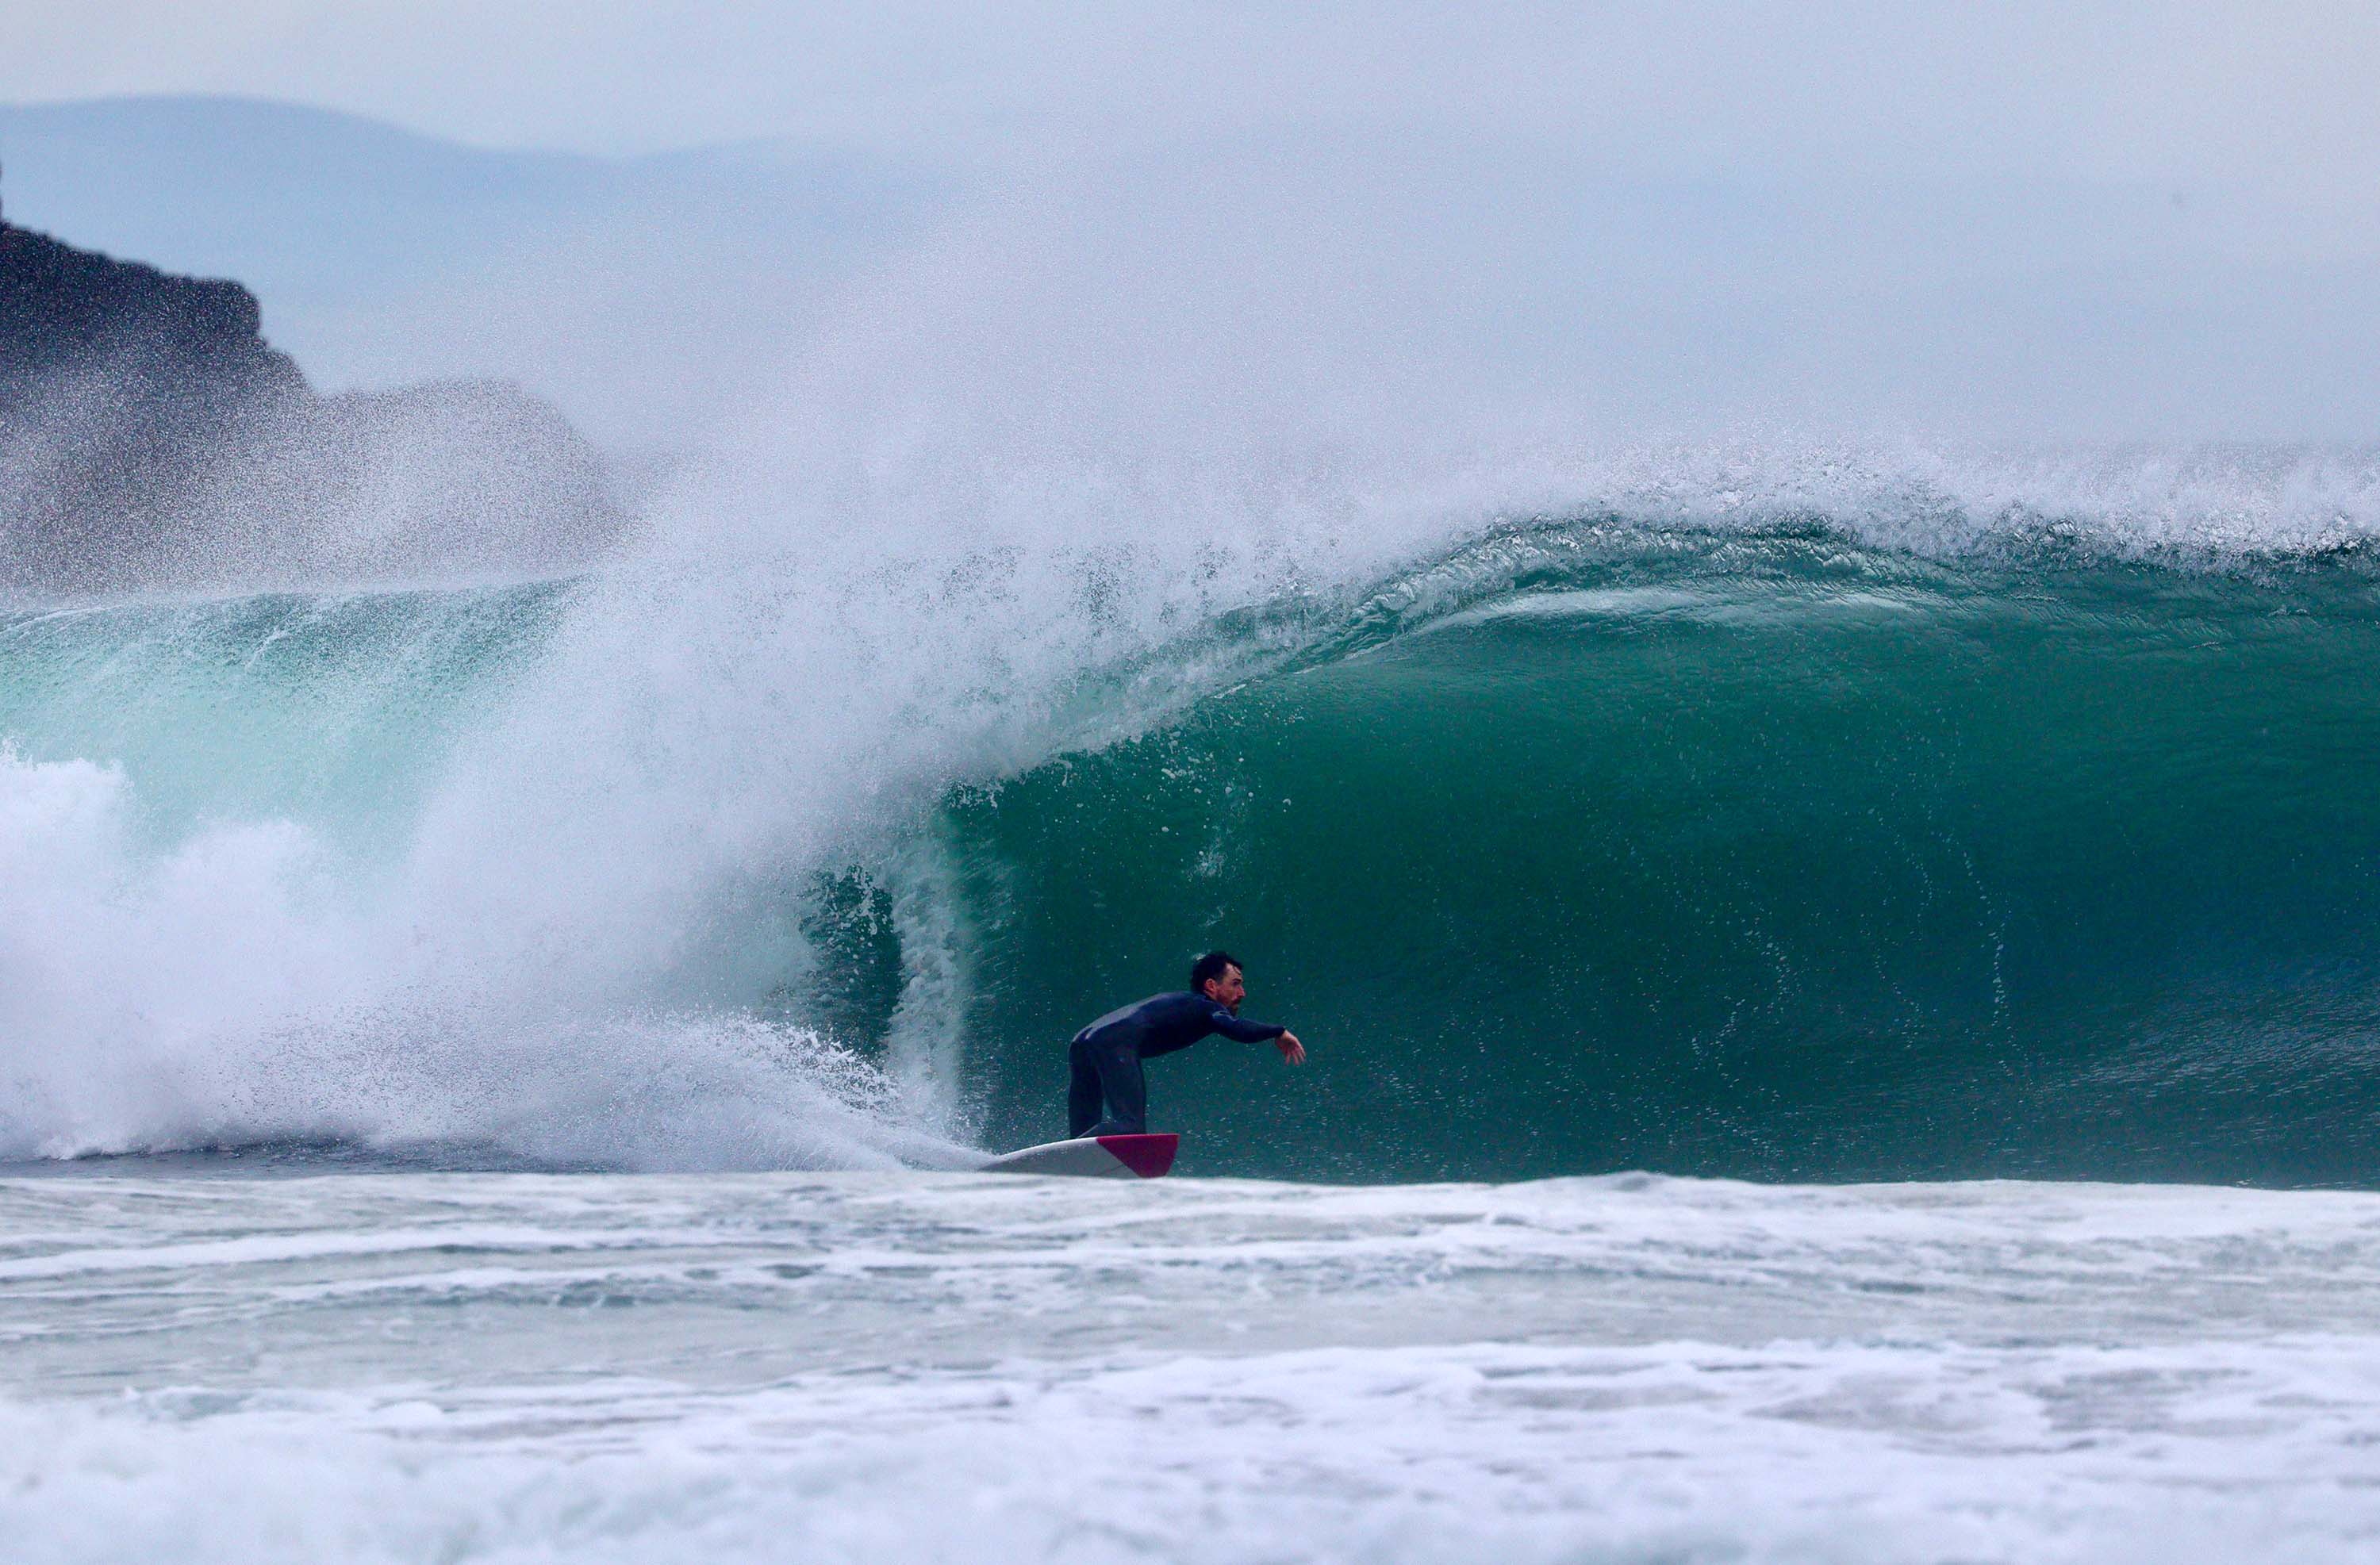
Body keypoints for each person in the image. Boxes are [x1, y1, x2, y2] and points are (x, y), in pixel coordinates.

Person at [1066, 950, 1305, 1138]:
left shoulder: (1187, 1003)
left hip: (1083, 1041)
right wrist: (1279, 1031)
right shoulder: (1207, 1007)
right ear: (1211, 986)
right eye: (1236, 983)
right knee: (1130, 1127)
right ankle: (1067, 1159)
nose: (1242, 993)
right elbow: (1238, 1030)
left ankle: (1057, 1160)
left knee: (1081, 1139)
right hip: (1113, 1042)